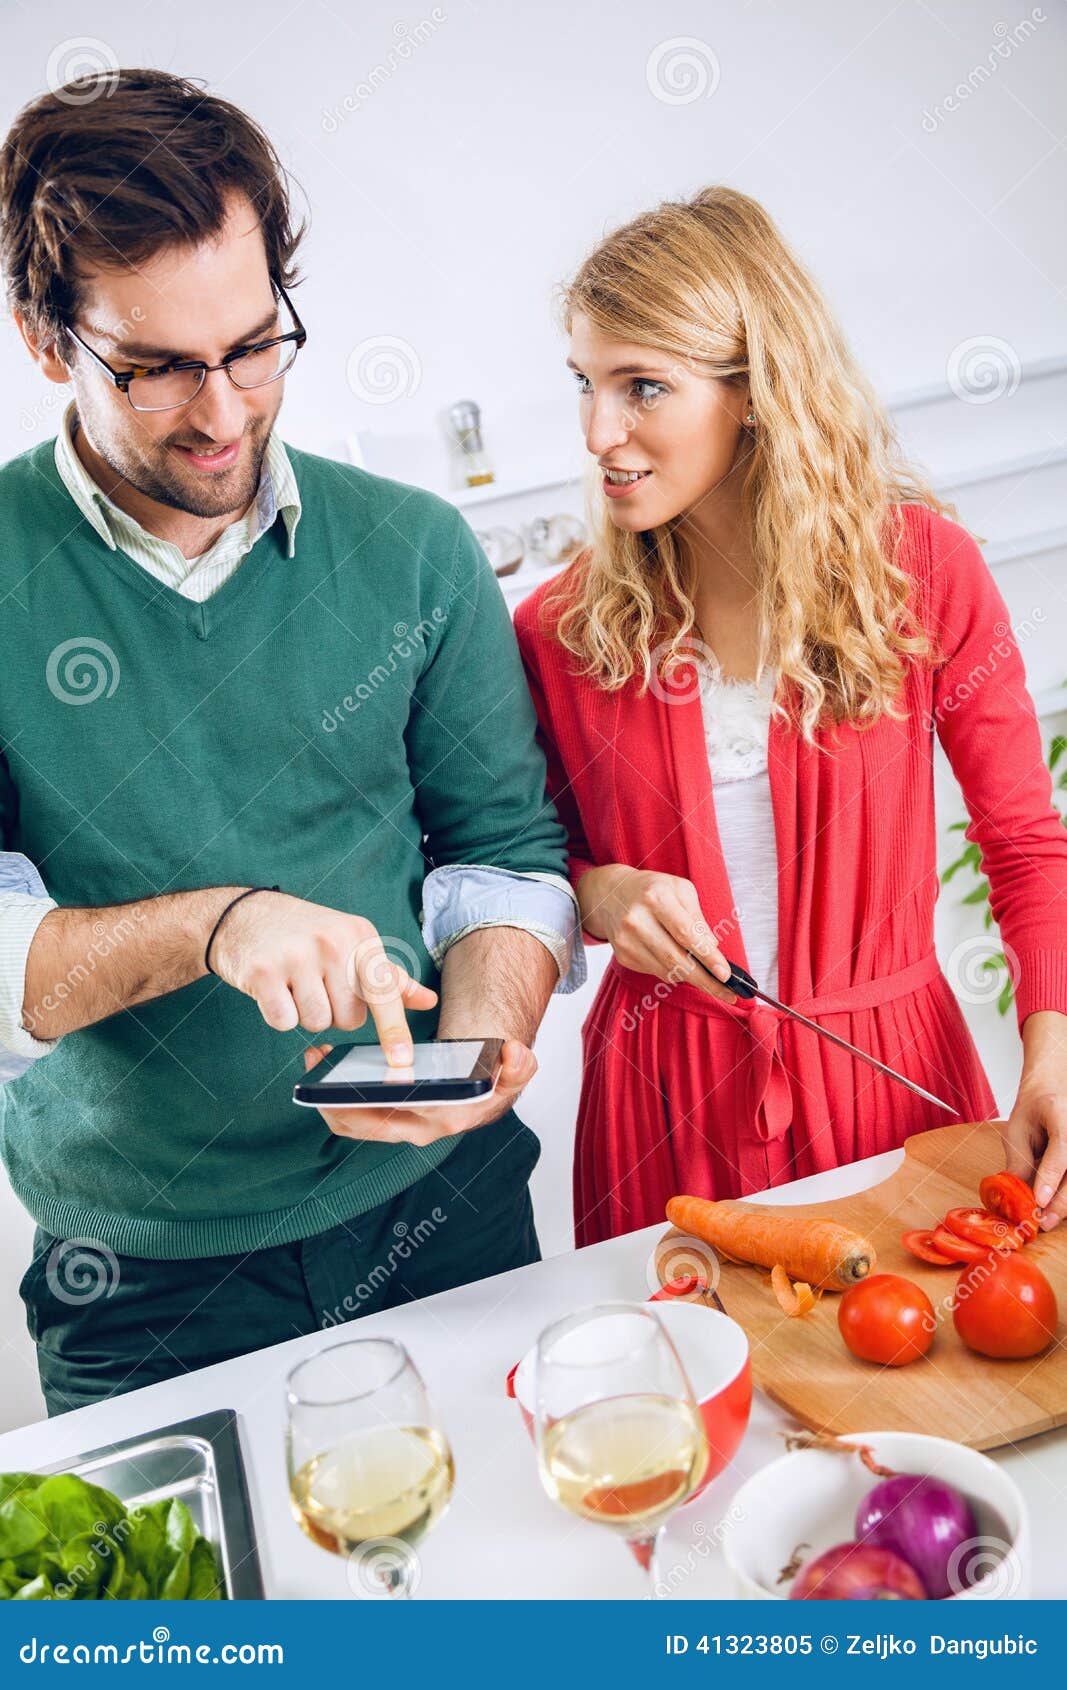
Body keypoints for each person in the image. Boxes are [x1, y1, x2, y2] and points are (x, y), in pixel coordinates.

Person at [0, 69, 580, 1414]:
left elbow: (501, 857)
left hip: (446, 1215)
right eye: (156, 370)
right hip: (141, 1279)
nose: (223, 414)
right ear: (46, 339)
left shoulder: (414, 551)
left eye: (255, 346)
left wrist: (481, 1041)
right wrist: (217, 922)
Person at [515, 185, 1067, 1248]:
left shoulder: (921, 574)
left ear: (755, 390)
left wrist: (1050, 1056)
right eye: (584, 383)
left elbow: (1026, 847)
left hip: (894, 1093)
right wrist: (599, 891)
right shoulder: (556, 630)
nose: (596, 431)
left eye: (640, 387)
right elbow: (523, 871)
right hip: (656, 1112)